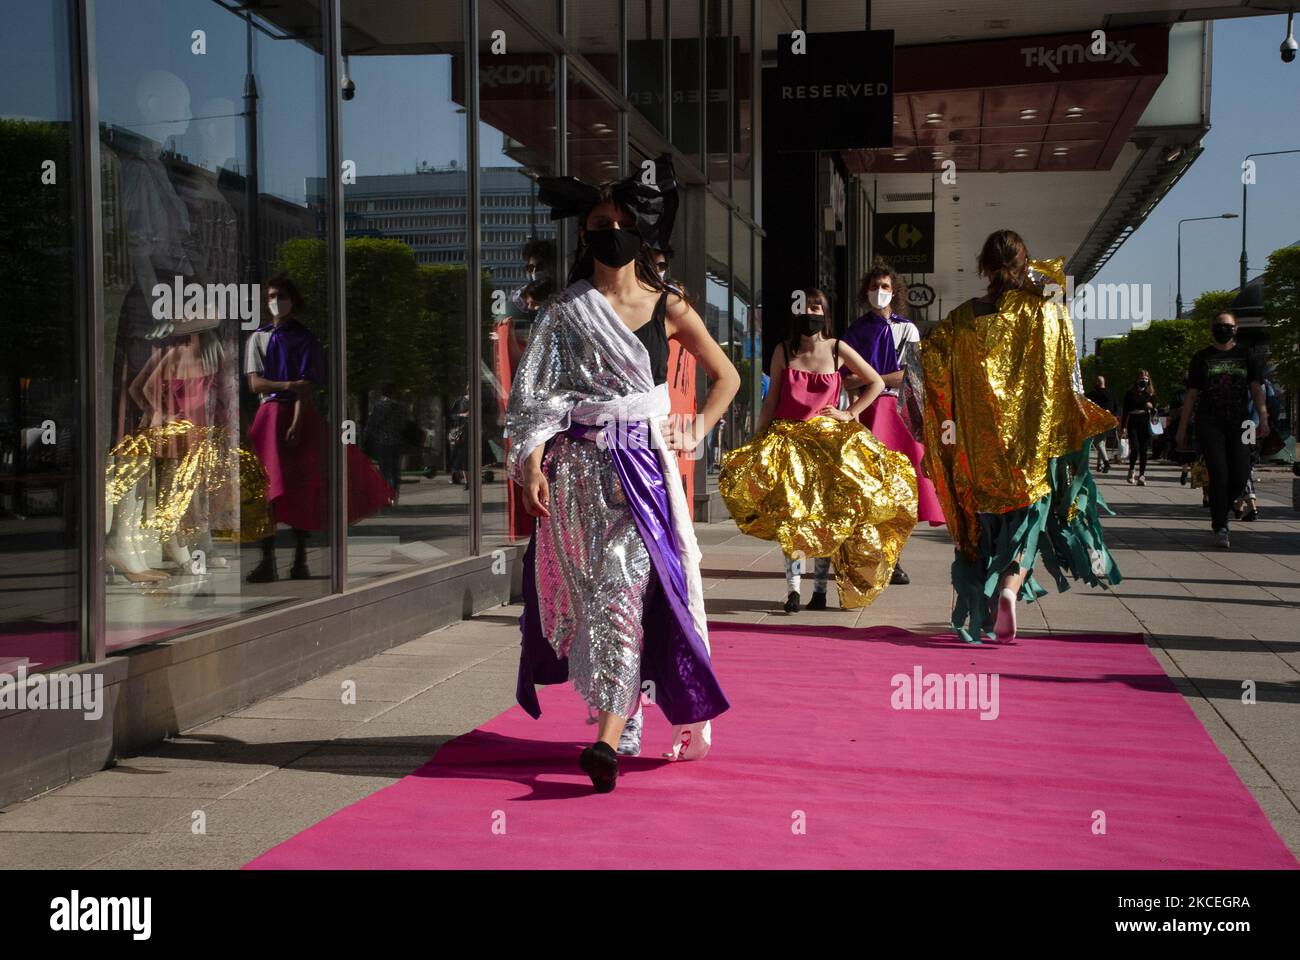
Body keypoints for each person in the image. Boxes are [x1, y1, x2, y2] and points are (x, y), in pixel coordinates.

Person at [508, 156, 736, 793]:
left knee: (620, 586)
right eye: (596, 223)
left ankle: (604, 742)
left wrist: (695, 430)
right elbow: (535, 399)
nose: (607, 231)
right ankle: (622, 712)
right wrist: (532, 464)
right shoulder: (563, 312)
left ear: (640, 231)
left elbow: (728, 377)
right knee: (598, 603)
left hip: (643, 470)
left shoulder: (671, 306)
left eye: (617, 221)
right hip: (578, 472)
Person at [899, 230, 1121, 644]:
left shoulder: (962, 320)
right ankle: (1008, 589)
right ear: (1024, 263)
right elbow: (1067, 380)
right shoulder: (1047, 315)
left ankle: (986, 603)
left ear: (983, 266)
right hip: (1029, 452)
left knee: (982, 529)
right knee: (1026, 526)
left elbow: (924, 369)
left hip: (976, 453)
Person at [720, 289, 918, 613]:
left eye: (817, 307)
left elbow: (877, 383)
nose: (811, 312)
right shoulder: (784, 350)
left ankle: (821, 590)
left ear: (825, 313)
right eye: (806, 307)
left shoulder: (838, 348)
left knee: (827, 519)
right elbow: (771, 401)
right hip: (788, 440)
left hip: (828, 443)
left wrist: (849, 413)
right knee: (793, 518)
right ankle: (793, 591)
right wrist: (755, 440)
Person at [245, 275, 392, 582]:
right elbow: (255, 382)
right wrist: (288, 385)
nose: (276, 300)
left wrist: (297, 417)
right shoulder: (258, 338)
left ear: (293, 299)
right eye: (272, 295)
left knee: (300, 486)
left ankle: (298, 558)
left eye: (281, 295)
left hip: (293, 416)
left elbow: (306, 387)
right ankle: (269, 558)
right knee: (267, 490)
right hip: (270, 416)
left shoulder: (304, 338)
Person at [840, 260, 946, 588]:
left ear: (895, 291)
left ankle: (895, 556)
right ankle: (871, 555)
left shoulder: (908, 330)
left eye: (885, 287)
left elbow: (911, 374)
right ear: (865, 291)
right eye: (874, 287)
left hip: (901, 416)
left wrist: (872, 378)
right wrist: (880, 381)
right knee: (868, 490)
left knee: (903, 491)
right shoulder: (854, 331)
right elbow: (845, 381)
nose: (879, 292)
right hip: (866, 413)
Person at [1176, 312, 1270, 548]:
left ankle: (1223, 507)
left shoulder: (1246, 355)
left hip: (1242, 422)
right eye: (1218, 325)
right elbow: (1192, 395)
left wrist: (1264, 417)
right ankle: (1220, 525)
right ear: (1212, 329)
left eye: (1227, 326)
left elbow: (1257, 389)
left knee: (1241, 473)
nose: (1223, 329)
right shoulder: (1202, 358)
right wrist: (1182, 428)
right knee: (1218, 473)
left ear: (1235, 329)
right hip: (1210, 422)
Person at [363, 382, 406, 504]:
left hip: (383, 442)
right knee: (395, 470)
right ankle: (394, 496)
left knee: (385, 470)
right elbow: (403, 425)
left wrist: (367, 437)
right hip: (397, 442)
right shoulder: (401, 407)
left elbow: (372, 424)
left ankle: (386, 496)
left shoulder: (379, 406)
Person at [1119, 370, 1156, 485]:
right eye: (1142, 378)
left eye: (1146, 379)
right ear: (1137, 379)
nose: (1144, 380)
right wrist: (1123, 427)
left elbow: (1155, 411)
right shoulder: (1130, 393)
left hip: (1144, 421)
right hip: (1133, 421)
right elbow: (1125, 411)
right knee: (1135, 448)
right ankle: (1131, 470)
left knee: (1144, 450)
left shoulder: (1150, 393)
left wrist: (1151, 407)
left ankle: (1142, 475)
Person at [1085, 376, 1114, 473]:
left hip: (1098, 421)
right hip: (1108, 421)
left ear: (1097, 382)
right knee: (1102, 442)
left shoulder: (1093, 394)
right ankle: (1100, 465)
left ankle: (1106, 463)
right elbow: (1115, 407)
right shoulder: (1110, 394)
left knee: (1098, 443)